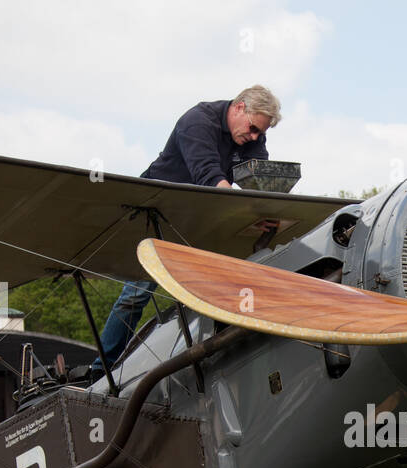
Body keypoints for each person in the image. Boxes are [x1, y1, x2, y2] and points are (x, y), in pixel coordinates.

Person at [91, 86, 282, 376]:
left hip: (203, 213)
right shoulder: (197, 122)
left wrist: (268, 212)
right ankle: (99, 370)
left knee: (217, 284)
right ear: (239, 108)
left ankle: (213, 358)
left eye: (261, 133)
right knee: (136, 294)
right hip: (160, 210)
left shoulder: (251, 135)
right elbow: (207, 177)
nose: (255, 137)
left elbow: (259, 181)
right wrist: (244, 210)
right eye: (253, 128)